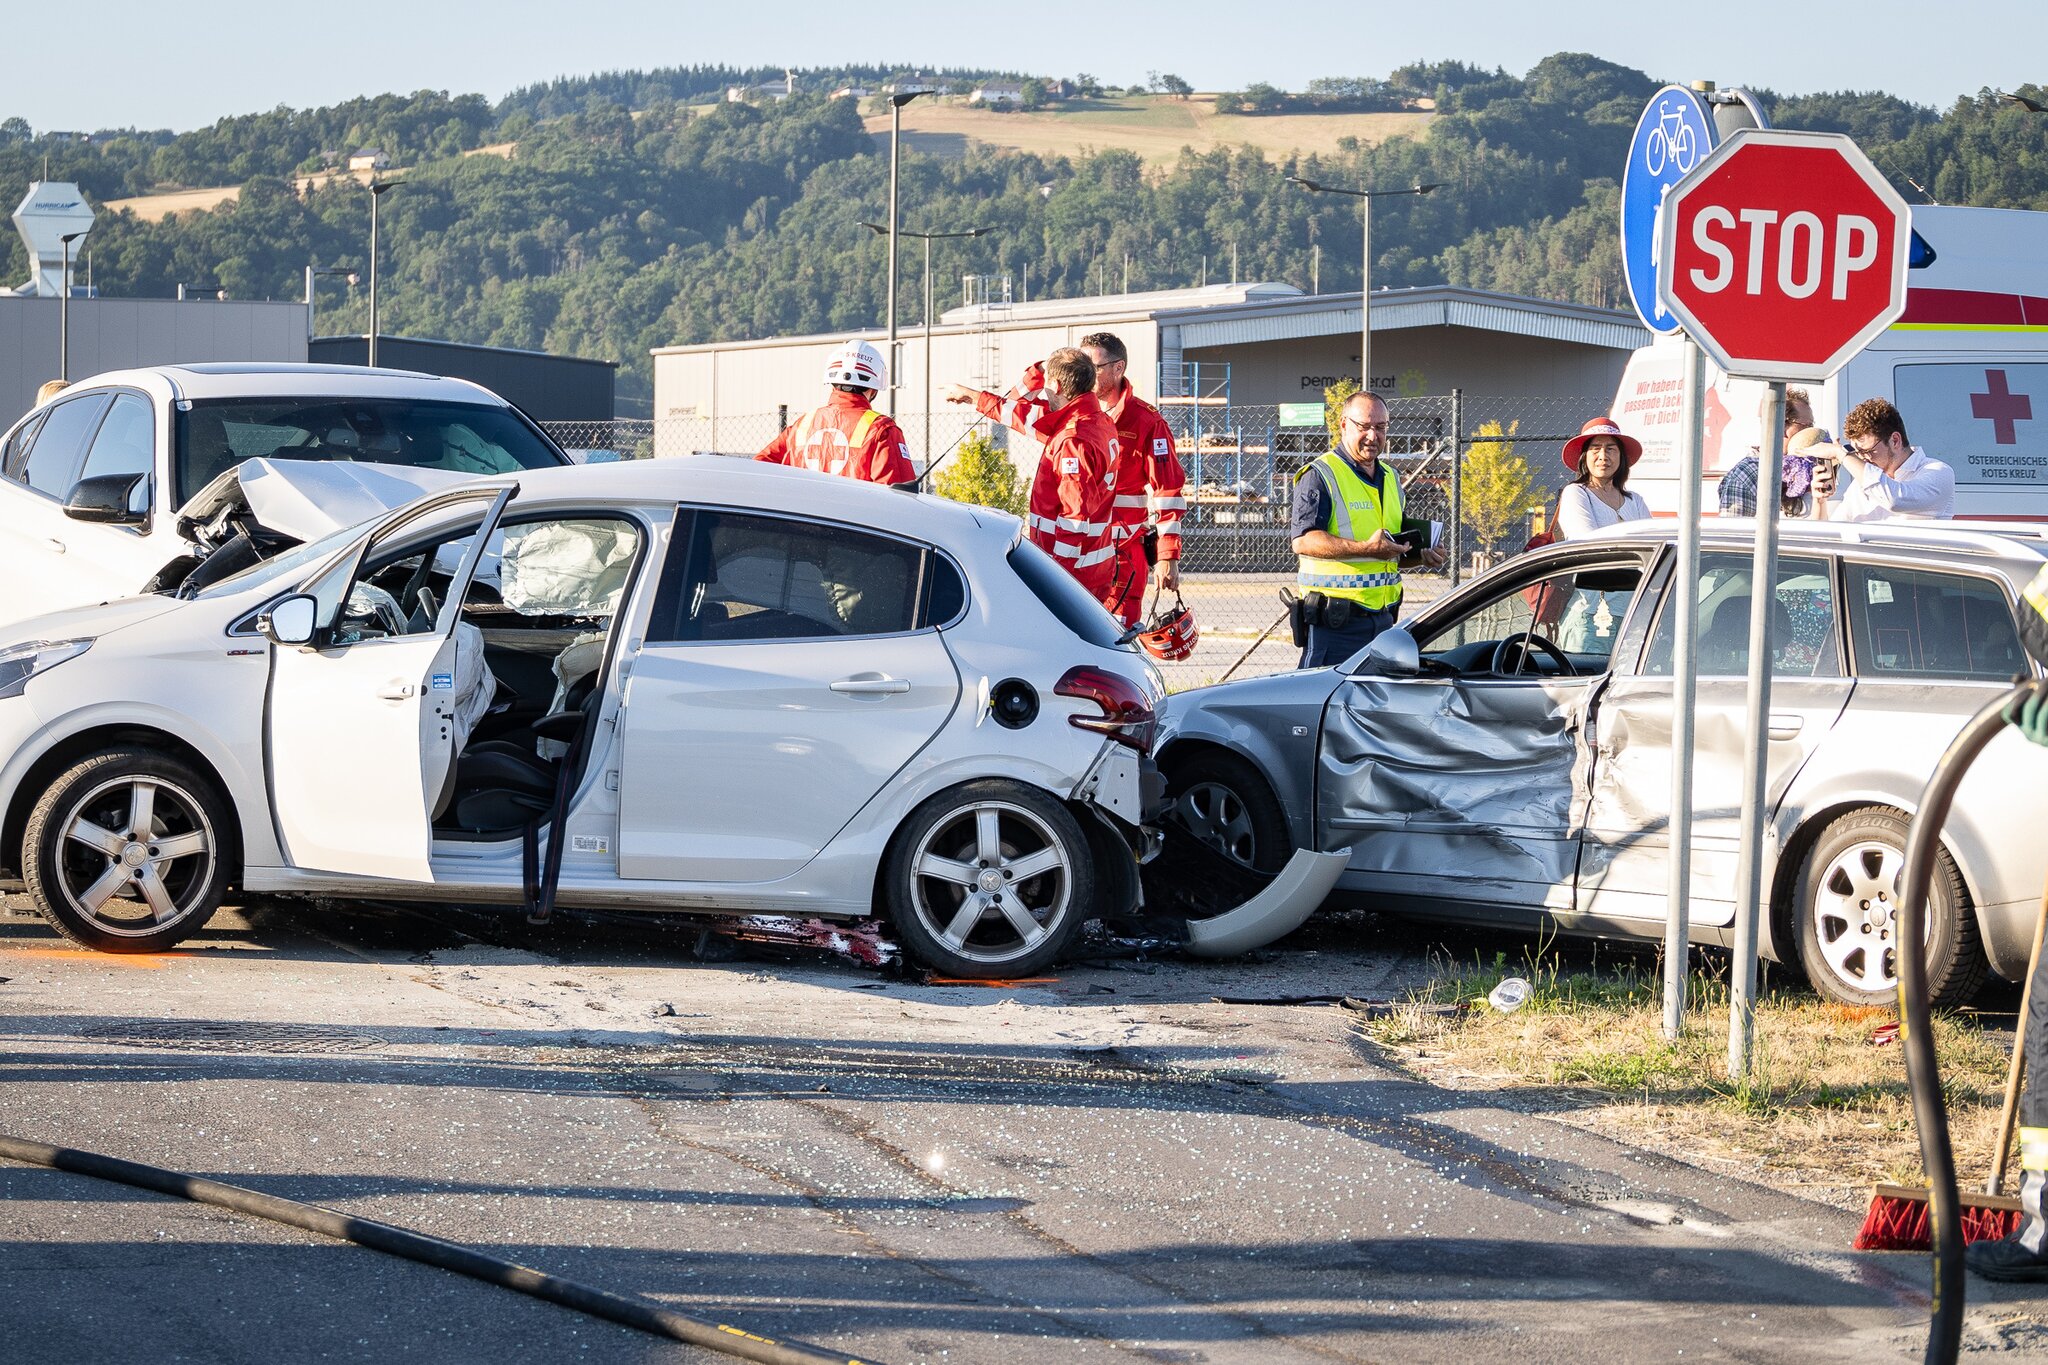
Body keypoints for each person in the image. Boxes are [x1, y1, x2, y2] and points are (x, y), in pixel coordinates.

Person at [943, 349, 1122, 604]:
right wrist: (972, 396)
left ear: (1056, 386)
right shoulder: (1095, 420)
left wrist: (1058, 580)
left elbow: (1074, 519)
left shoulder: (1072, 439)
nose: (1043, 391)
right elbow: (1018, 412)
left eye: (1046, 382)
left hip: (1073, 575)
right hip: (1093, 566)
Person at [1290, 392, 1444, 668]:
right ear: (1343, 425)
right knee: (1322, 694)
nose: (1373, 436)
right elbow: (1303, 541)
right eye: (1364, 426)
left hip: (1383, 623)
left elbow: (1387, 555)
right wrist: (1366, 549)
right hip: (1334, 628)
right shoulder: (1321, 474)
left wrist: (1420, 556)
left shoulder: (1391, 477)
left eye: (1381, 427)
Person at [1078, 331, 1187, 626]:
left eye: (1094, 368)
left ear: (1118, 368)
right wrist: (976, 398)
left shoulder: (1146, 421)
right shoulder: (1072, 414)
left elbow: (1168, 491)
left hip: (1121, 555)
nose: (1086, 375)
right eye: (1082, 366)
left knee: (1116, 637)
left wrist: (1167, 555)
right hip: (1076, 552)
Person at [756, 339, 917, 487]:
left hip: (802, 510)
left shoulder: (803, 424)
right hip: (854, 511)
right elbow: (900, 494)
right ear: (875, 388)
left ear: (832, 382)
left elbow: (758, 469)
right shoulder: (881, 430)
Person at [1551, 416, 1651, 652]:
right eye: (1595, 448)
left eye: (1611, 449)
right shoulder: (1577, 493)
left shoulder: (1635, 500)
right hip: (1591, 615)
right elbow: (1590, 545)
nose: (1603, 456)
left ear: (1621, 457)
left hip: (1634, 618)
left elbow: (1653, 548)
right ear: (1584, 456)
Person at [1814, 396, 1954, 522]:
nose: (1862, 459)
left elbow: (1894, 501)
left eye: (1866, 451)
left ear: (1895, 441)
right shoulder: (1861, 483)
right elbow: (1831, 535)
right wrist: (1819, 502)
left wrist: (1841, 454)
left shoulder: (1939, 472)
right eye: (1856, 452)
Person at [1717, 387, 1830, 518]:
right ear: (1781, 426)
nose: (1812, 431)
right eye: (1807, 426)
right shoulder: (1748, 474)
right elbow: (1734, 529)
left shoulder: (1806, 469)